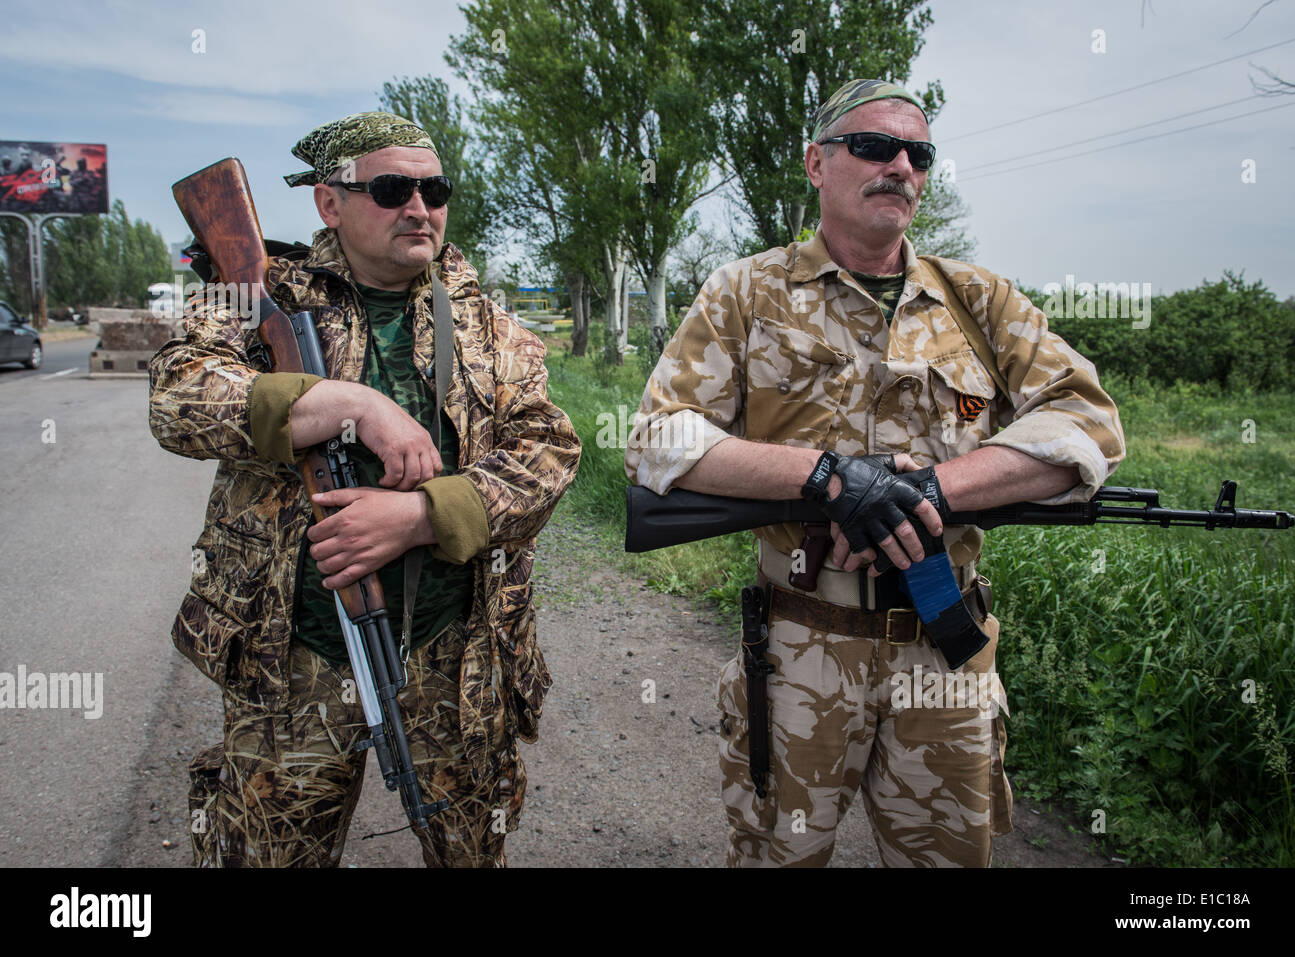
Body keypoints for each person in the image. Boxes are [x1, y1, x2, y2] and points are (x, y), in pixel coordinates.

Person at [625, 79, 1125, 867]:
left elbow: (1089, 422)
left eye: (917, 153)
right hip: (799, 644)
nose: (899, 164)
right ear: (817, 162)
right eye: (873, 146)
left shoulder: (979, 300)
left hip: (945, 643)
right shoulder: (746, 294)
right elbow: (657, 436)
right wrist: (827, 478)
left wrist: (929, 491)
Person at [150, 111, 581, 867]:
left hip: (456, 661)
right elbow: (177, 395)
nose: (420, 207)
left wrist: (421, 515)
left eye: (434, 188)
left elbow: (550, 452)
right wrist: (347, 402)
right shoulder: (255, 295)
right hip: (293, 661)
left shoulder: (490, 326)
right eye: (391, 188)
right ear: (329, 203)